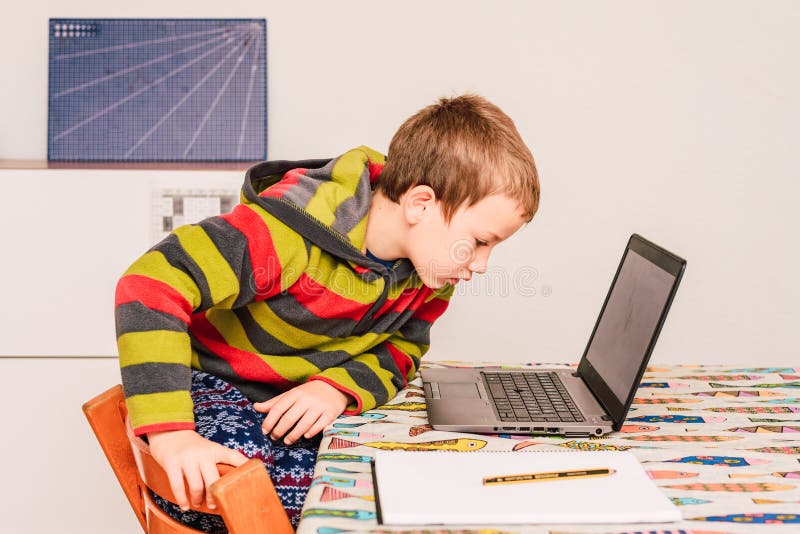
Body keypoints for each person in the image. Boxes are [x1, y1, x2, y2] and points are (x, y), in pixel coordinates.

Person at [115, 93, 540, 531]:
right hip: (212, 382)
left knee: (380, 487)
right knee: (257, 484)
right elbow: (150, 283)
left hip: (288, 404)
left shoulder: (432, 272)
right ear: (420, 205)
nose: (482, 264)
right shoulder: (284, 235)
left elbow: (402, 348)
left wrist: (335, 389)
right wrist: (172, 434)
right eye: (481, 241)